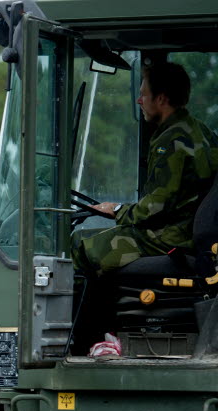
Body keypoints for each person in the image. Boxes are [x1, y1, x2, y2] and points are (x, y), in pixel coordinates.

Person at [74, 61, 218, 276]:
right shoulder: (201, 131)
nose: (139, 100)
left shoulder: (173, 140)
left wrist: (116, 210)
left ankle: (80, 310)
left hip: (171, 237)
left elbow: (157, 205)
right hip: (187, 232)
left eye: (144, 95)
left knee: (80, 245)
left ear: (161, 99)